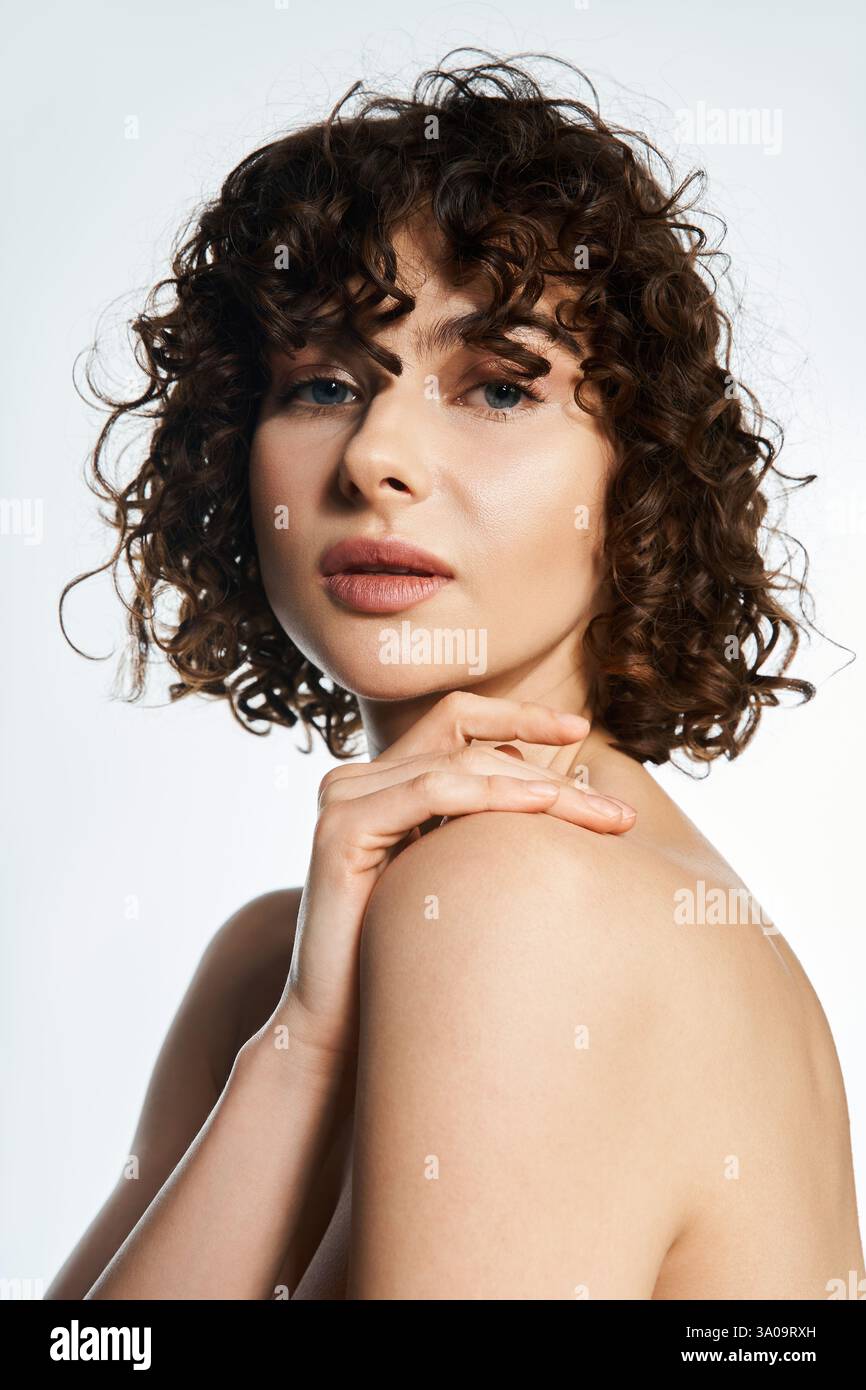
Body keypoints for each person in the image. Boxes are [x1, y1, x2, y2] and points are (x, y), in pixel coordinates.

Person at [49, 53, 863, 1300]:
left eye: (494, 386)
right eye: (321, 383)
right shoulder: (276, 965)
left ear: (632, 475)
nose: (375, 455)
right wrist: (301, 1047)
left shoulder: (518, 894)